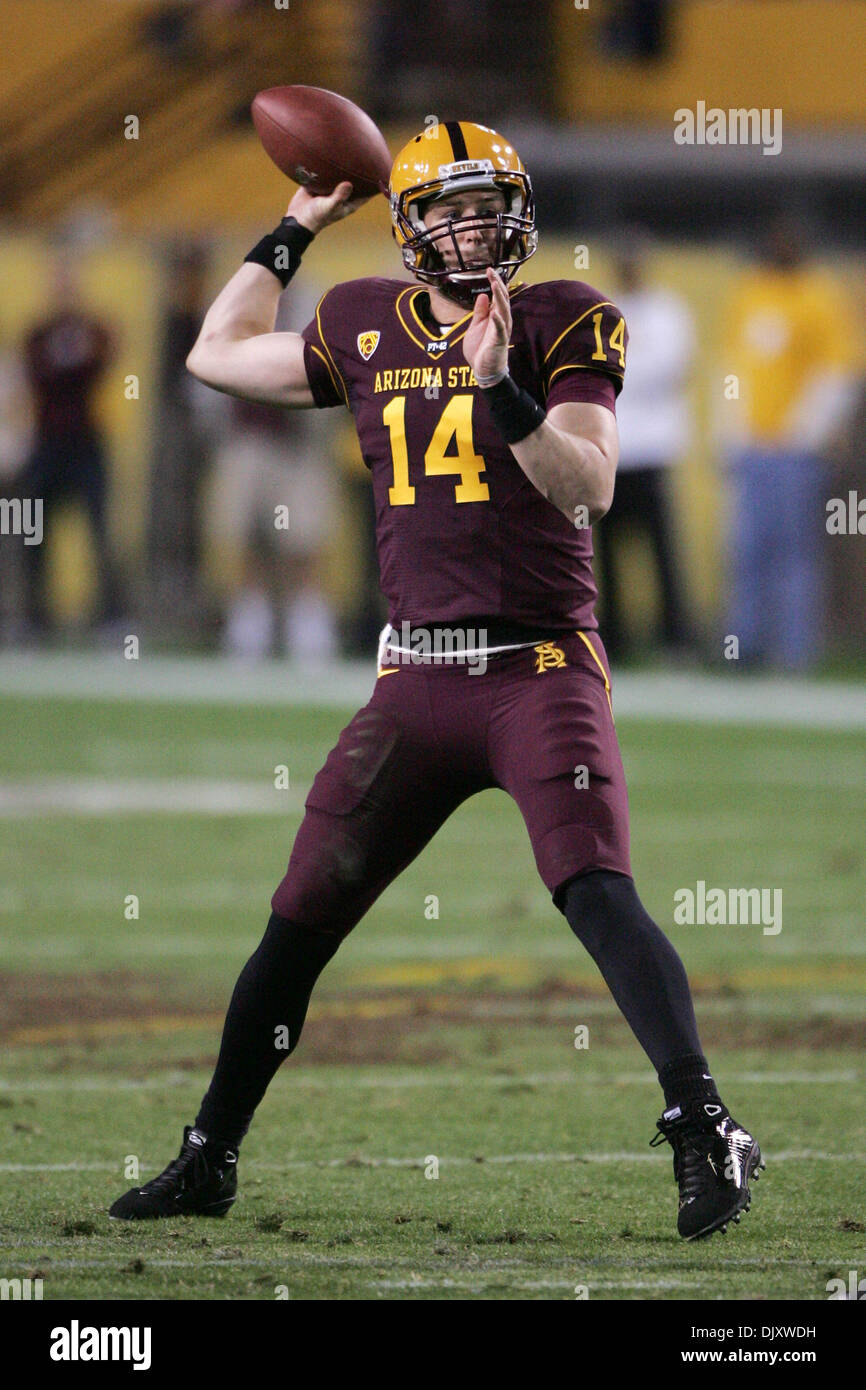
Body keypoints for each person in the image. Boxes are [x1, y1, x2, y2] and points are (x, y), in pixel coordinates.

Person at [109, 121, 763, 1240]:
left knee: (592, 888)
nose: (475, 227)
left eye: (490, 203)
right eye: (452, 208)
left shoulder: (563, 316)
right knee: (296, 922)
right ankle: (209, 1153)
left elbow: (588, 487)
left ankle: (705, 1127)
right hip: (412, 679)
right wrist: (297, 224)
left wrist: (502, 389)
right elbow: (214, 354)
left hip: (537, 668)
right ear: (411, 225)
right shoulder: (364, 317)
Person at [721, 217, 857, 669]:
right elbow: (734, 367)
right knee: (747, 550)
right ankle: (745, 648)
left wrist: (802, 434)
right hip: (752, 447)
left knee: (793, 553)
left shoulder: (819, 296)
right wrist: (730, 432)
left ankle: (794, 653)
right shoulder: (752, 292)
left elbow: (837, 376)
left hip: (794, 452)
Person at [596, 231, 695, 659]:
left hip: (652, 448)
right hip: (610, 448)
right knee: (607, 553)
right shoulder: (602, 310)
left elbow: (670, 369)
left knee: (661, 549)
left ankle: (675, 638)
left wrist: (618, 376)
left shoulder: (666, 311)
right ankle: (615, 640)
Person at [19, 264, 123, 636]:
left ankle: (112, 618)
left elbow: (103, 361)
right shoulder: (39, 333)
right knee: (33, 533)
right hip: (47, 443)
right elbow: (41, 375)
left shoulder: (91, 329)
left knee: (100, 532)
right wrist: (79, 364)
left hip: (85, 442)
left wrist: (80, 363)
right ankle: (33, 617)